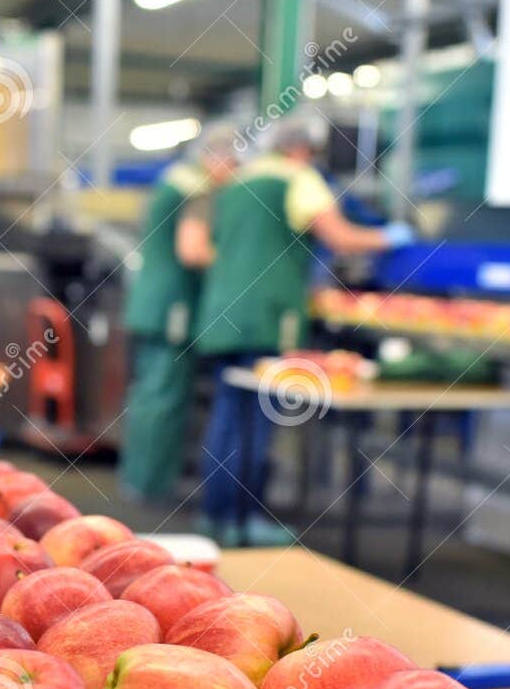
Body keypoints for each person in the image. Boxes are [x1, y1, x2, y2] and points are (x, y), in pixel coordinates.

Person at [192, 113, 413, 547]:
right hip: (267, 314)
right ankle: (246, 520)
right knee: (257, 419)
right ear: (301, 149)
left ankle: (216, 516)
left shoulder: (236, 183)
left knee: (226, 415)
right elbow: (340, 238)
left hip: (222, 310)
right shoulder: (299, 179)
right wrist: (391, 237)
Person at [117, 125, 240, 502]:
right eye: (233, 163)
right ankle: (151, 484)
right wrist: (236, 267)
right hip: (174, 307)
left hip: (154, 303)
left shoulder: (171, 183)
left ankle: (139, 478)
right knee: (165, 394)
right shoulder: (196, 191)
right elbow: (193, 250)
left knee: (150, 391)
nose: (234, 173)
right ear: (215, 158)